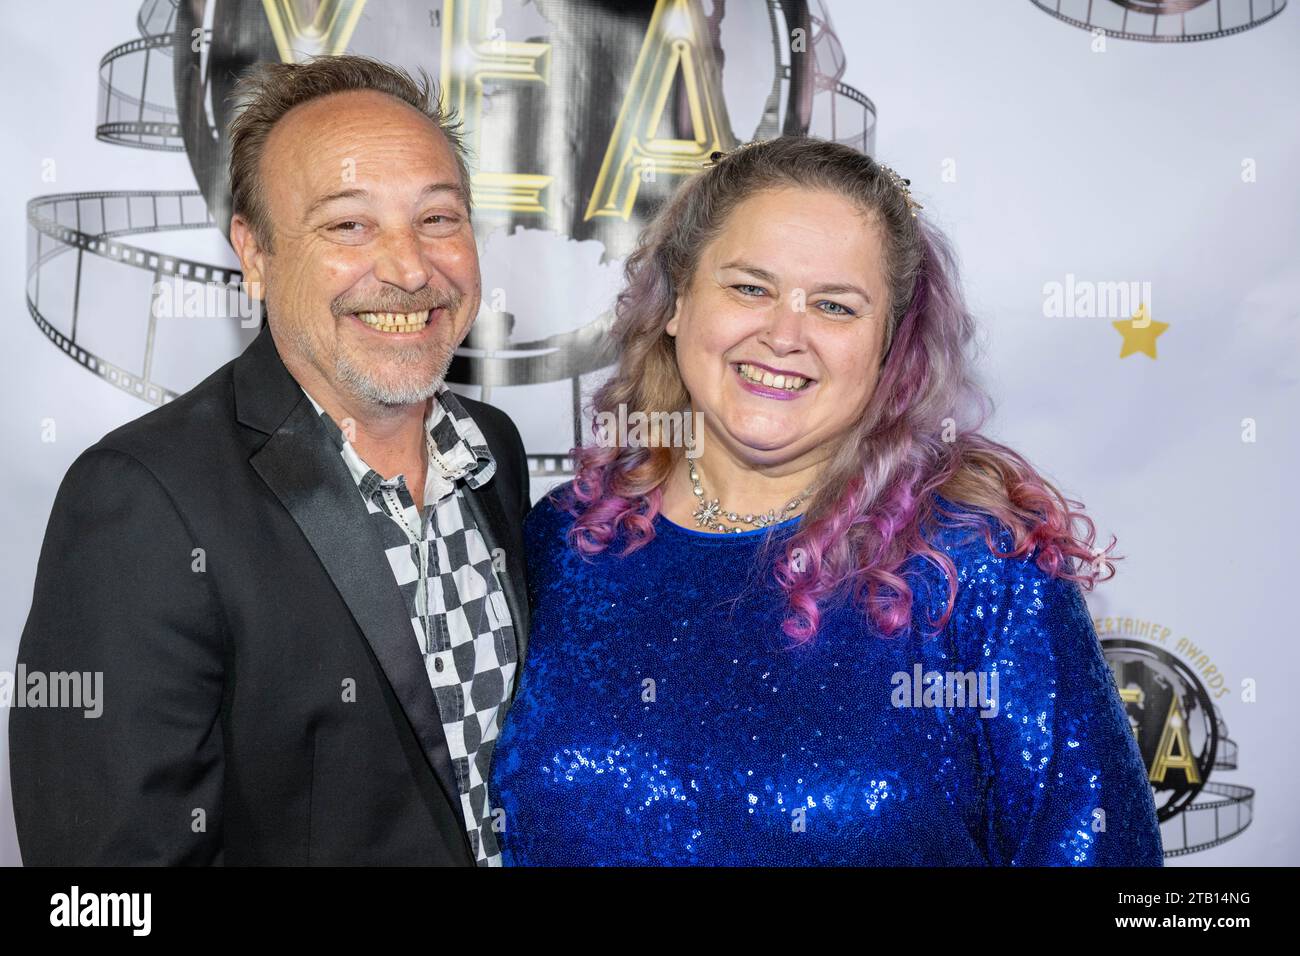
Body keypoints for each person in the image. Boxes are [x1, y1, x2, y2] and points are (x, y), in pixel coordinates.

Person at [489, 136, 1163, 866]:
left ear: (888, 346)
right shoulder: (565, 541)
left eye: (836, 306)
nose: (784, 334)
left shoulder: (979, 571)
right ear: (679, 302)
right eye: (750, 287)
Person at [10, 55, 530, 865]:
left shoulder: (492, 449)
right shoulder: (145, 501)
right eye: (348, 225)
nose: (408, 268)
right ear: (253, 254)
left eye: (438, 219)